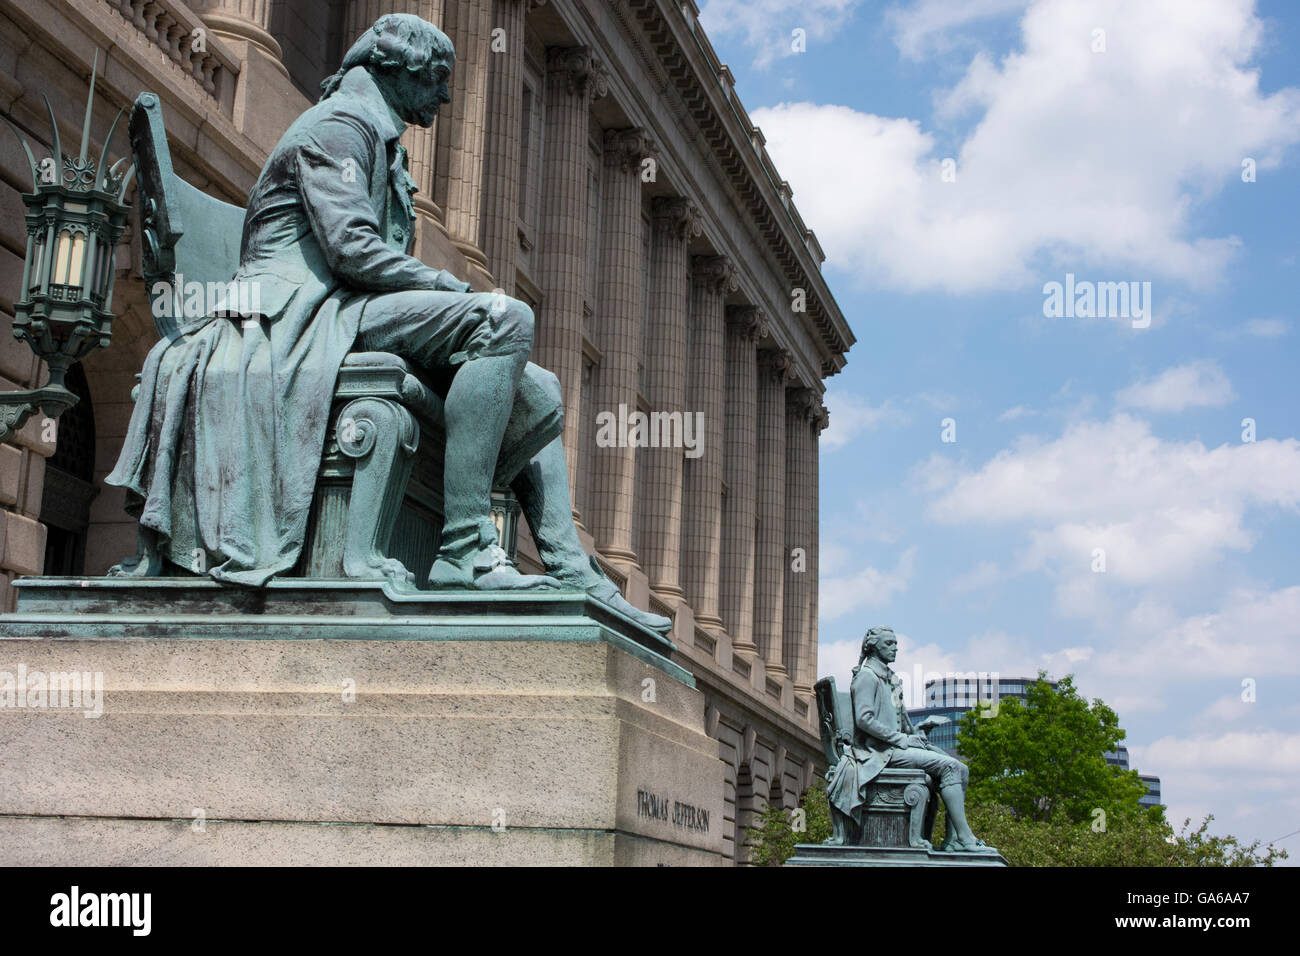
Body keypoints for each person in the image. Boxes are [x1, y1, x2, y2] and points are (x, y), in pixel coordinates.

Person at [107, 13, 670, 634]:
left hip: (342, 307)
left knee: (539, 389)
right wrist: (449, 287)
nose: (446, 95)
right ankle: (465, 547)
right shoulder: (340, 127)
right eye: (435, 78)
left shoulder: (375, 137)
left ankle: (570, 567)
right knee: (504, 319)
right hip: (297, 314)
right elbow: (350, 247)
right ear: (394, 68)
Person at [825, 626, 987, 850]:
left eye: (895, 643)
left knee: (961, 768)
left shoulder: (891, 679)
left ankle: (953, 841)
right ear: (873, 647)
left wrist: (918, 733)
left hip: (894, 747)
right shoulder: (867, 677)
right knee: (950, 767)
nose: (895, 648)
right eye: (889, 644)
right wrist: (901, 740)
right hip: (877, 753)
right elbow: (864, 719)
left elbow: (902, 723)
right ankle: (964, 837)